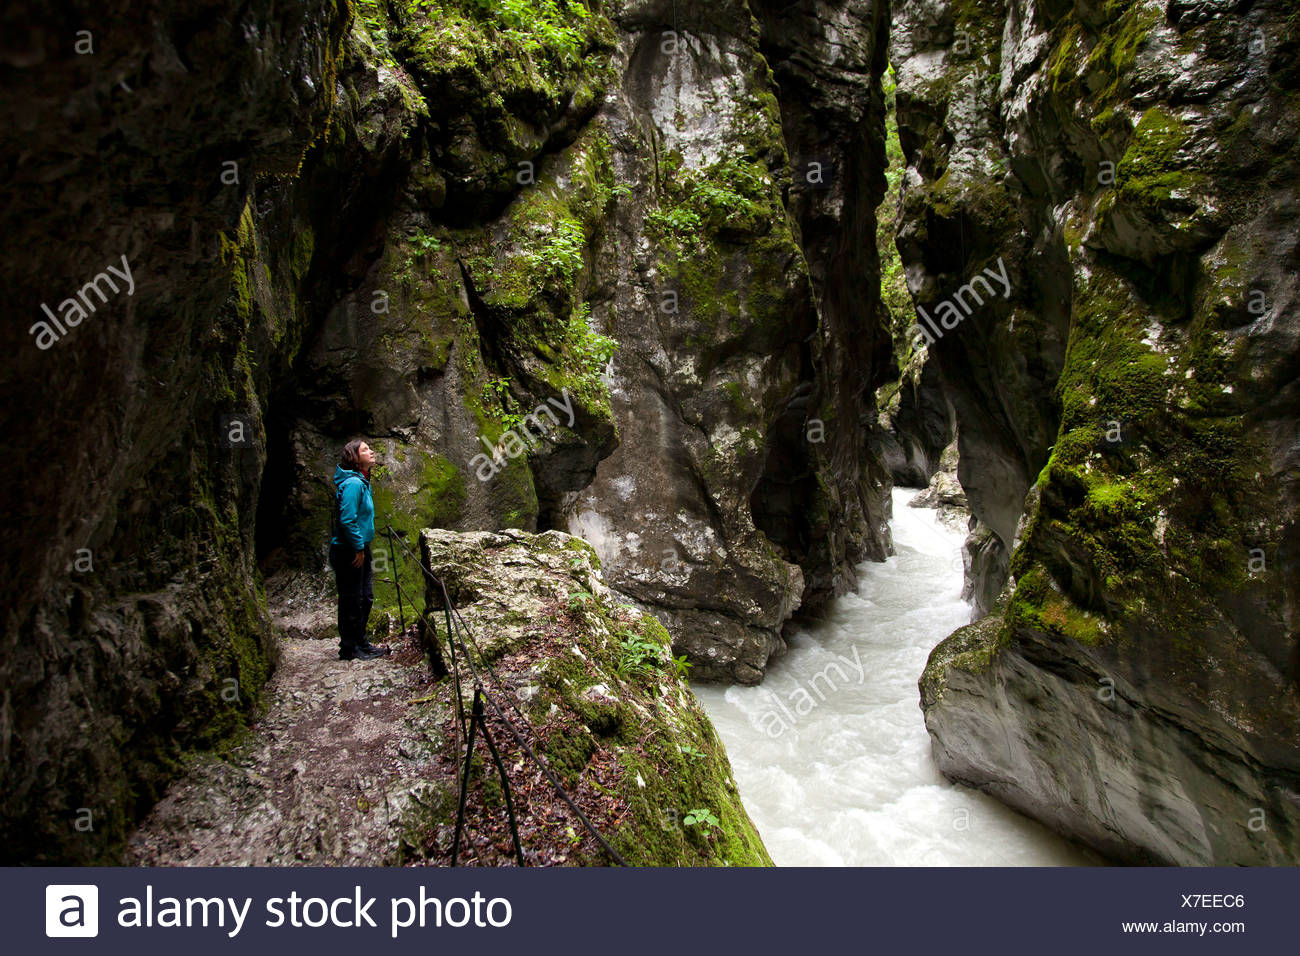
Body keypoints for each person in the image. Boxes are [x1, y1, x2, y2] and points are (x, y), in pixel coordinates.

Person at [330, 439, 391, 661]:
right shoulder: (354, 484)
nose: (371, 451)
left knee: (365, 597)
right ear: (354, 458)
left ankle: (361, 641)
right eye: (365, 449)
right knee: (352, 599)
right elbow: (347, 520)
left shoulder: (362, 481)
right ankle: (349, 647)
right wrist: (357, 547)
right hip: (348, 550)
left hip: (359, 547)